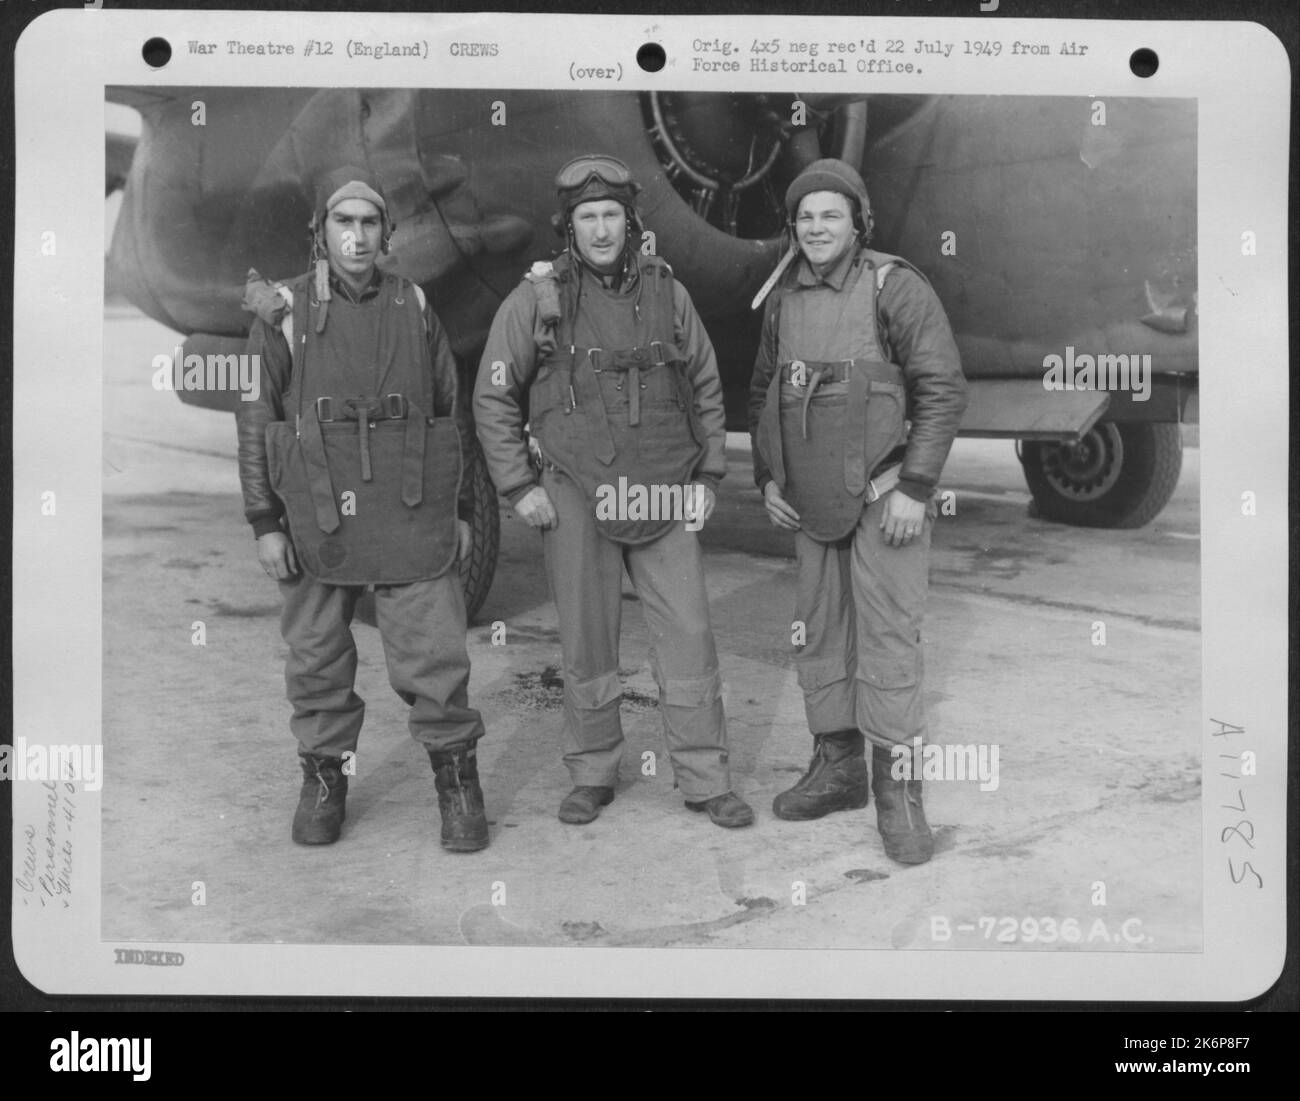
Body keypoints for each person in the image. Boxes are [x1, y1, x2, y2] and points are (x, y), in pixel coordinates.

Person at [474, 153, 753, 828]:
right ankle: (593, 770)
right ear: (568, 227)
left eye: (610, 216)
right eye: (586, 217)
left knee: (688, 634)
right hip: (575, 486)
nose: (600, 230)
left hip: (662, 488)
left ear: (630, 223)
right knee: (587, 640)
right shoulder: (537, 299)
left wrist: (709, 476)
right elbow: (493, 395)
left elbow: (708, 385)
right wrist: (518, 485)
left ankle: (705, 775)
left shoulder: (667, 292)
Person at [236, 165, 489, 852]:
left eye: (368, 223)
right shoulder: (285, 314)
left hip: (408, 511)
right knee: (316, 658)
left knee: (435, 657)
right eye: (343, 223)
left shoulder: (415, 305)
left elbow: (449, 413)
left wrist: (462, 509)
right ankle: (326, 778)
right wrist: (264, 521)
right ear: (322, 235)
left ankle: (457, 780)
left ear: (385, 232)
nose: (356, 237)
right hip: (315, 512)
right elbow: (258, 417)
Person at [750, 159, 967, 864]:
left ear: (858, 221)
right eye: (806, 217)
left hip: (884, 497)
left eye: (830, 215)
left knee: (890, 642)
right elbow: (764, 395)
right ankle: (837, 768)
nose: (817, 228)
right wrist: (768, 478)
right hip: (810, 503)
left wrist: (917, 485)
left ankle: (899, 796)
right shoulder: (783, 300)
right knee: (821, 636)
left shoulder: (894, 286)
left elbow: (942, 387)